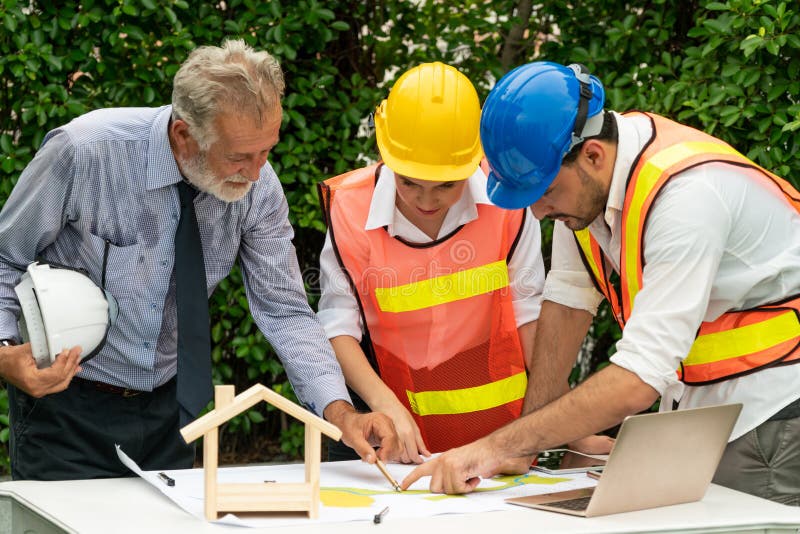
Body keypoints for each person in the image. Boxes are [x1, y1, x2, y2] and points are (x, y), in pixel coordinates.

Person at [403, 61, 800, 506]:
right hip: (708, 412)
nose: (538, 213)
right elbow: (567, 303)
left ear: (592, 155)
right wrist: (525, 443)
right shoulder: (588, 189)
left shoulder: (686, 198)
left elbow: (638, 377)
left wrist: (497, 447)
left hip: (776, 411)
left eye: (544, 193)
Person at [0, 39, 399, 481]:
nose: (256, 172)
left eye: (267, 150)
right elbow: (5, 258)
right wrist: (3, 353)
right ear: (183, 135)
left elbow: (284, 309)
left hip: (172, 411)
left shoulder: (259, 187)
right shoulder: (85, 152)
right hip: (65, 407)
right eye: (238, 157)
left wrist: (341, 414)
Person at [317, 62, 611, 463]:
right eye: (408, 181)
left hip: (498, 445)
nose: (425, 201)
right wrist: (385, 405)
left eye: (446, 184)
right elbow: (337, 327)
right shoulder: (351, 210)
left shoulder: (507, 202)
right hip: (398, 443)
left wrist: (570, 429)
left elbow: (529, 319)